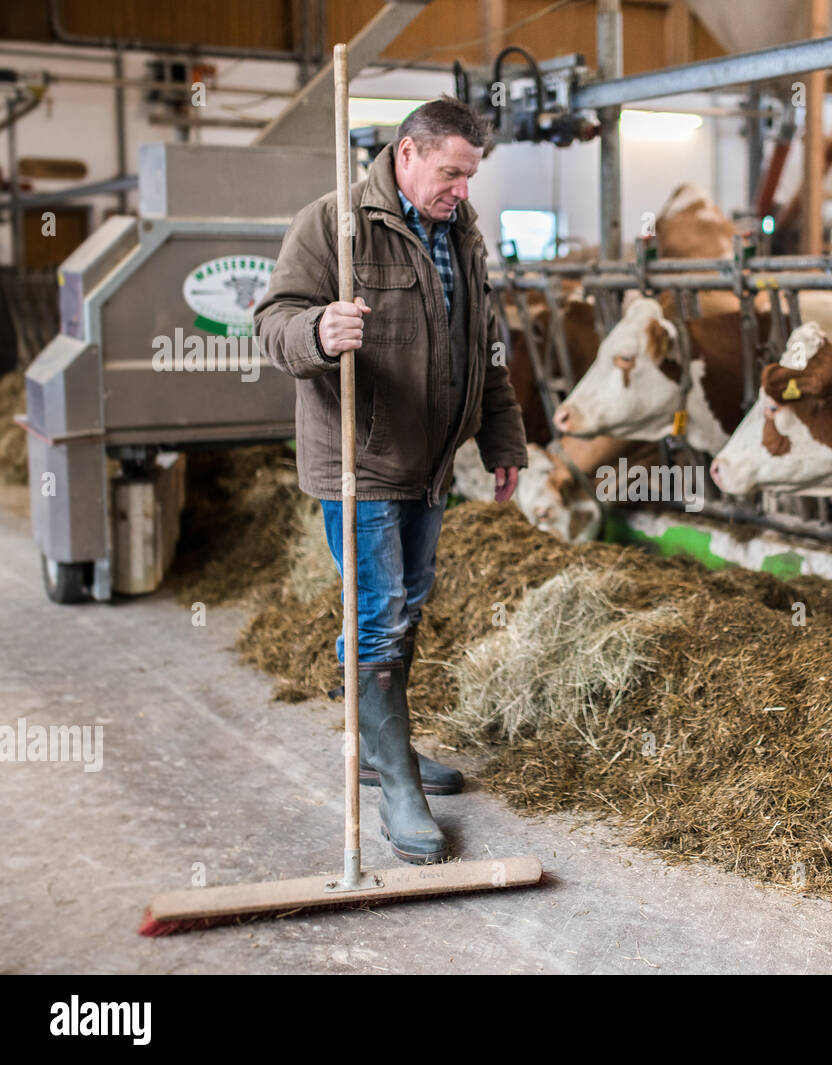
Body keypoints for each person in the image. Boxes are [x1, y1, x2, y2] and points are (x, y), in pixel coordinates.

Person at [254, 96, 529, 864]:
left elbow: (487, 347)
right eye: (451, 172)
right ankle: (396, 787)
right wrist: (316, 330)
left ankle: (383, 749)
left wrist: (503, 438)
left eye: (471, 175)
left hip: (432, 464)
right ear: (406, 155)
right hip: (362, 460)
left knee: (403, 609)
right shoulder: (332, 224)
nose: (462, 189)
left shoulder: (463, 234)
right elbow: (271, 320)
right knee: (378, 615)